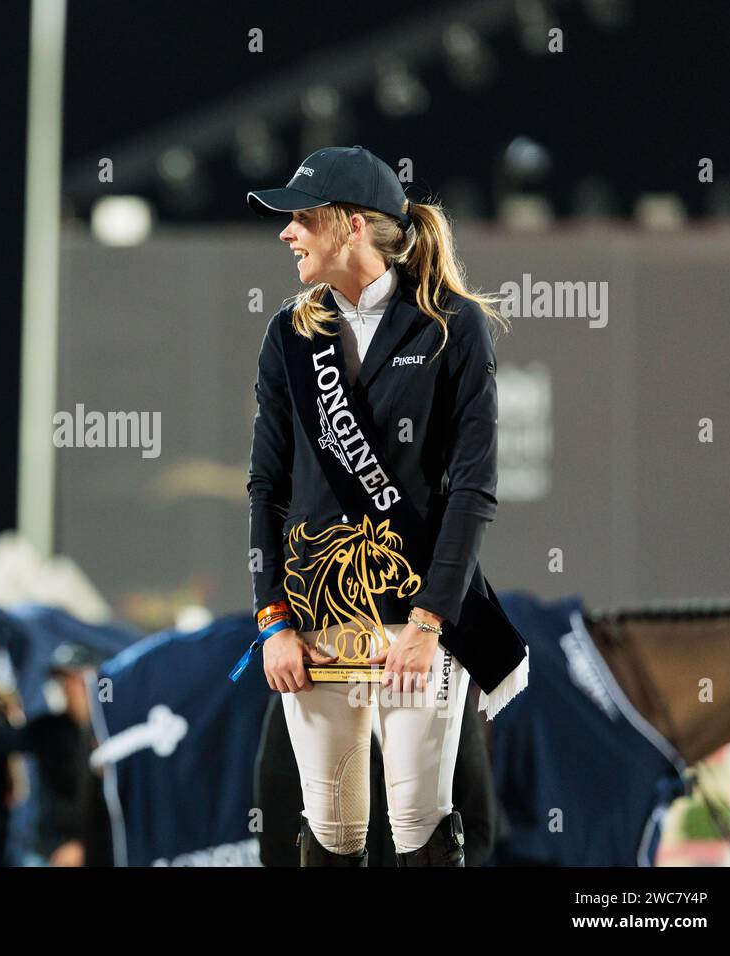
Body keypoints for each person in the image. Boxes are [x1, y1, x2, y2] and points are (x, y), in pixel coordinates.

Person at [241, 147, 529, 866]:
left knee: (417, 822)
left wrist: (430, 623)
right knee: (332, 830)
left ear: (351, 226)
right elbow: (266, 489)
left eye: (302, 218)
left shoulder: (451, 326)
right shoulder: (288, 335)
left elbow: (473, 488)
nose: (287, 233)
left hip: (419, 618)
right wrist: (272, 618)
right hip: (314, 619)